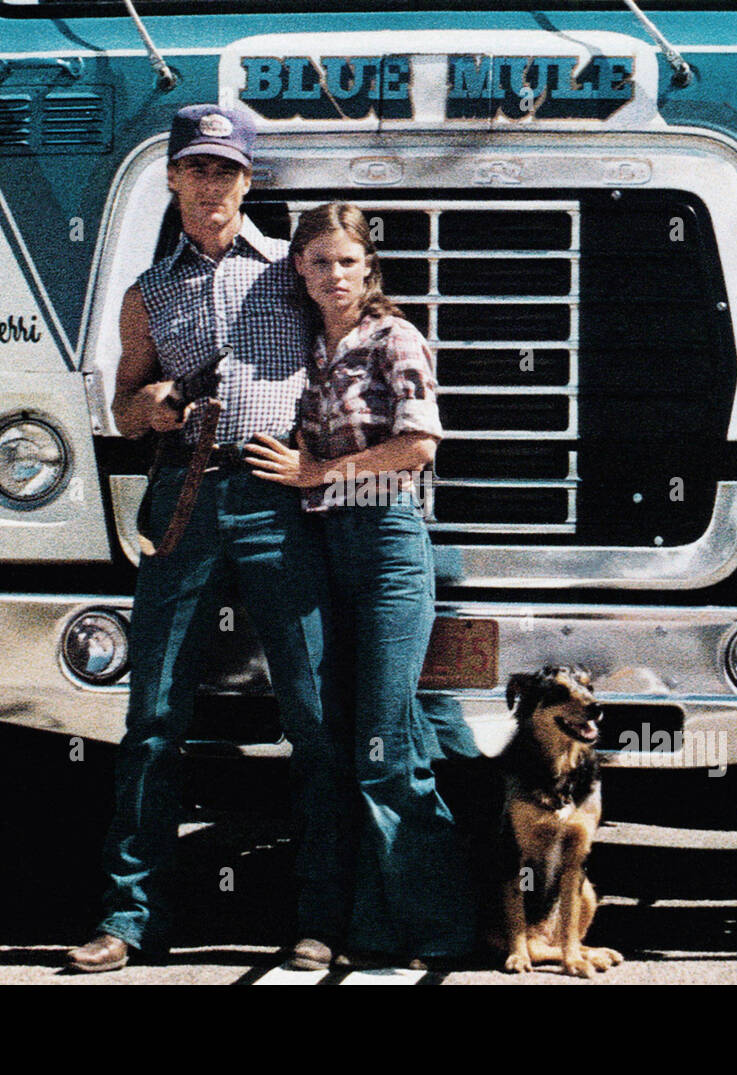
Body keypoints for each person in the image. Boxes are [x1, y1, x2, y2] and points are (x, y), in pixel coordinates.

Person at [67, 106, 350, 973]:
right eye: (197, 169)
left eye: (227, 171)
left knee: (311, 710)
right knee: (152, 713)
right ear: (173, 179)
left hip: (277, 497)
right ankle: (128, 916)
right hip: (183, 497)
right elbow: (123, 403)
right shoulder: (147, 294)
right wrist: (144, 408)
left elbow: (348, 358)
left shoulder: (293, 272)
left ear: (248, 182)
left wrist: (322, 460)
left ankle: (323, 913)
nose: (212, 186)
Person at [247, 202, 476, 965]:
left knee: (386, 745)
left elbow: (417, 446)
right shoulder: (307, 345)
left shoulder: (394, 337)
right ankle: (360, 924)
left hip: (386, 544)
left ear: (368, 267)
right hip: (319, 549)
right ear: (299, 272)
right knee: (336, 739)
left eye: (347, 261)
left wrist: (320, 473)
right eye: (318, 262)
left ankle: (438, 925)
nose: (334, 274)